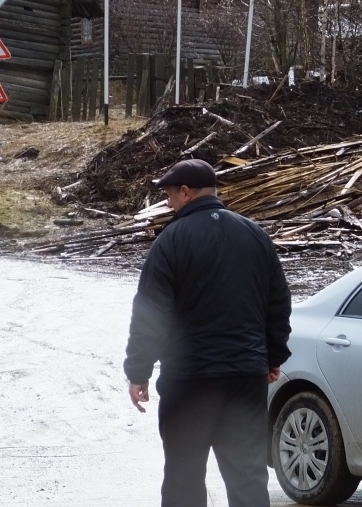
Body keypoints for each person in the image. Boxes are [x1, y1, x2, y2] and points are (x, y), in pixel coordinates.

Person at [123, 158, 292, 507]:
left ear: (186, 193)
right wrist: (272, 356)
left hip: (189, 382)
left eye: (170, 196)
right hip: (245, 378)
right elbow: (278, 303)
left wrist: (138, 372)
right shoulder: (256, 236)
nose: (168, 203)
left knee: (183, 478)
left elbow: (151, 313)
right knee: (248, 478)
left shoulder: (171, 241)